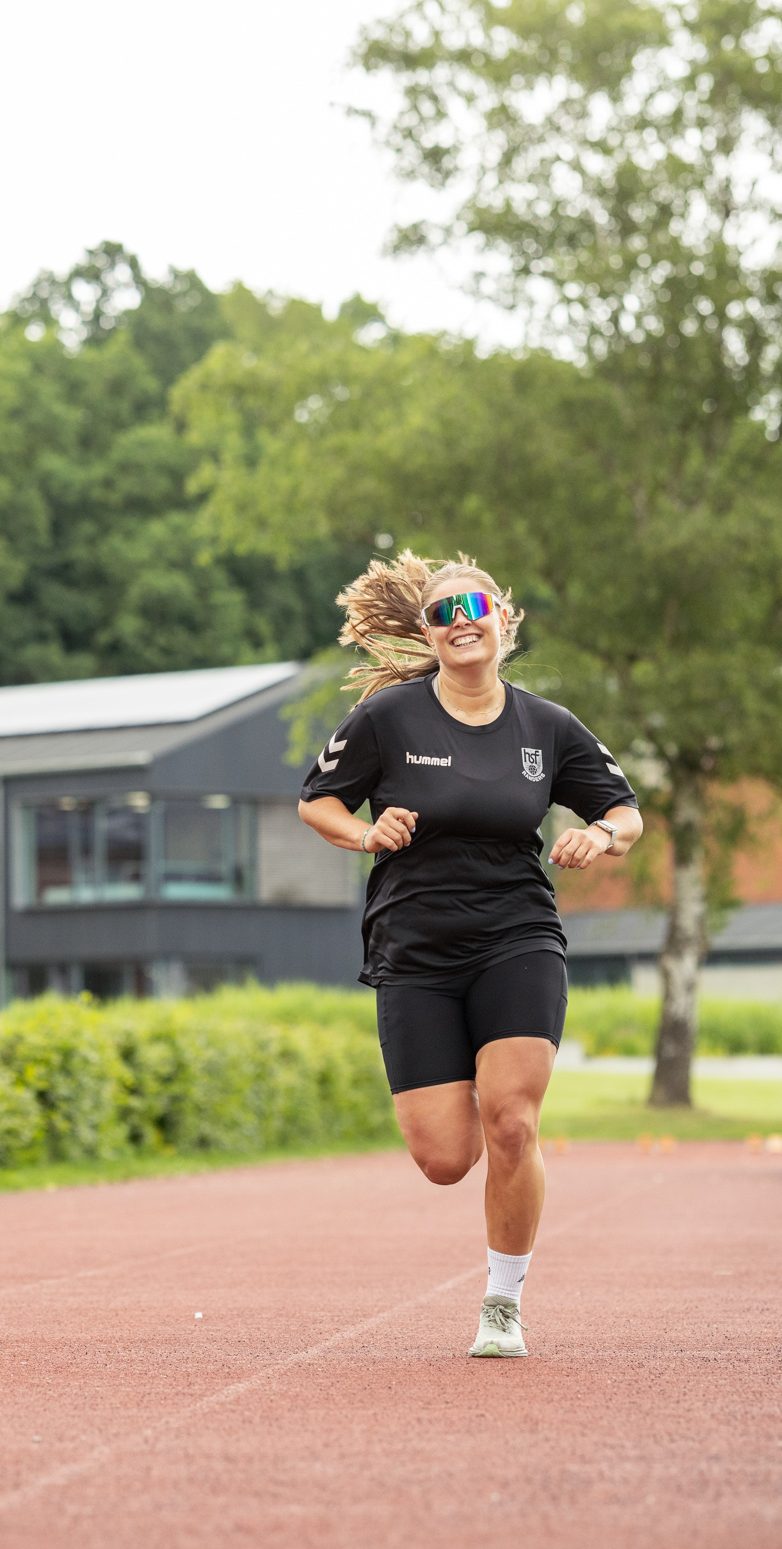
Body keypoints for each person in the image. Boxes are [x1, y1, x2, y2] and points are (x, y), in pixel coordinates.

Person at [298, 553, 642, 1358]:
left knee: (512, 1122)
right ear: (427, 633)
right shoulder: (388, 718)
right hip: (415, 945)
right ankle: (479, 1158)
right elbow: (318, 803)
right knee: (446, 1157)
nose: (461, 621)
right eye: (443, 612)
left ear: (503, 620)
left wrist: (599, 833)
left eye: (474, 607)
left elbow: (625, 811)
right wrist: (367, 833)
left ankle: (502, 1302)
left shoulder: (547, 726)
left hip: (516, 934)